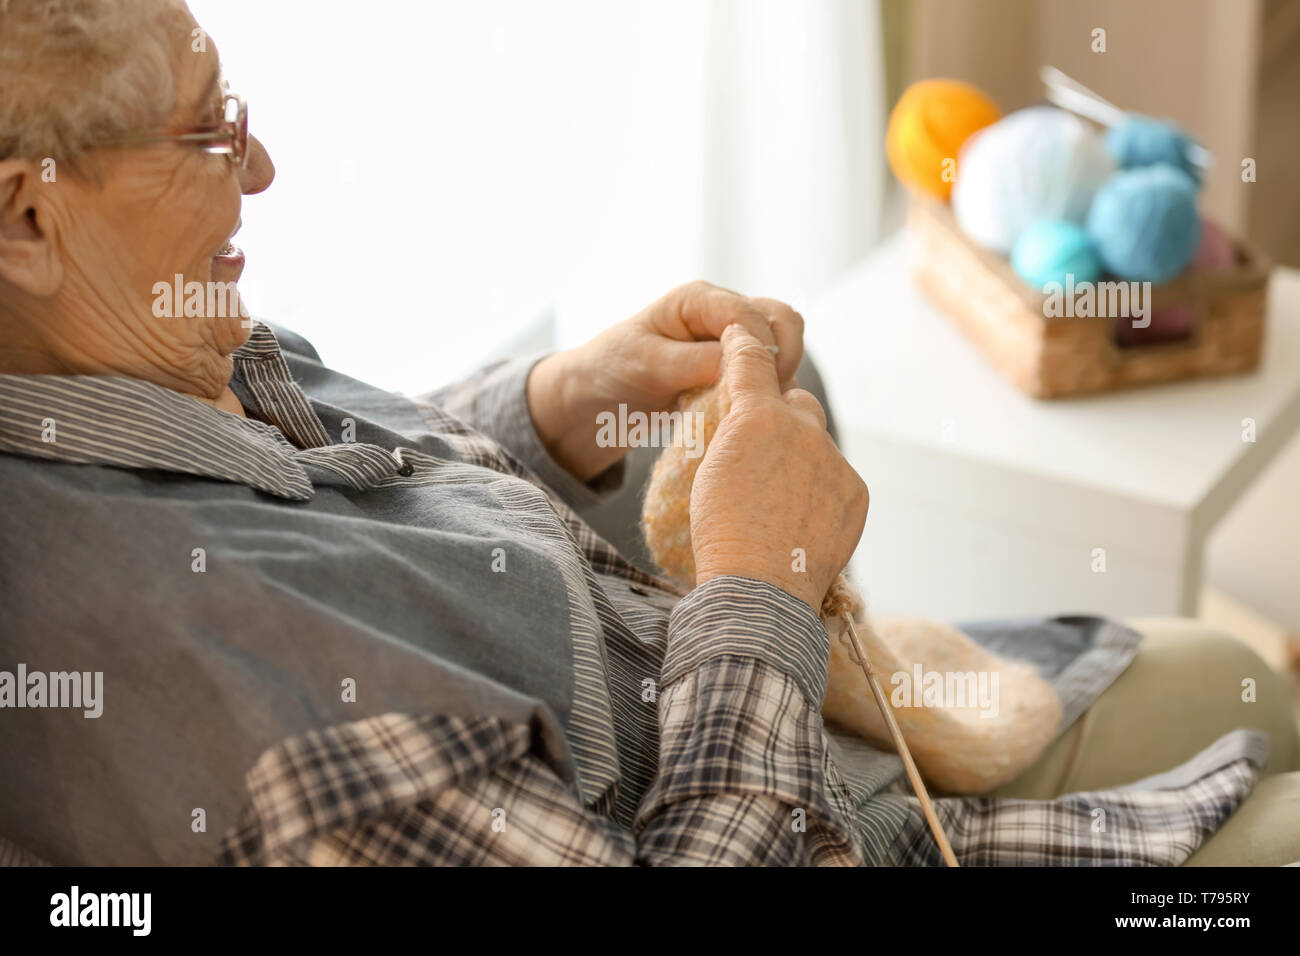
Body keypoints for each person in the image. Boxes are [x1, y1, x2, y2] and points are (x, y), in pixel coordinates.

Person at [0, 0, 1295, 866]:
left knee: (1240, 686)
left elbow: (360, 512)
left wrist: (564, 412)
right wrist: (756, 589)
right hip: (808, 815)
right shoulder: (226, 702)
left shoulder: (132, 356)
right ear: (28, 223)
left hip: (805, 732)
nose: (262, 166)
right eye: (206, 127)